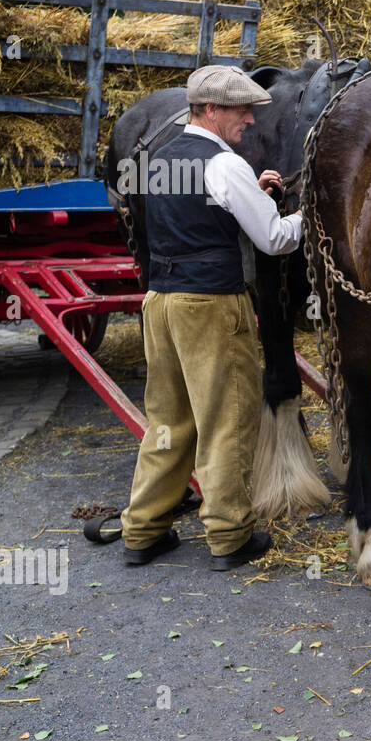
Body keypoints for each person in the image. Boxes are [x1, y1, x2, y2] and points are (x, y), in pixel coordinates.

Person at [120, 65, 304, 571]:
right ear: (211, 110)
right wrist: (312, 215)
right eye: (242, 110)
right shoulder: (225, 166)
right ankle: (229, 536)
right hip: (211, 307)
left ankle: (143, 531)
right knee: (227, 419)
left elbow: (194, 215)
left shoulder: (160, 157)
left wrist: (255, 195)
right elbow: (274, 240)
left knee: (169, 420)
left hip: (160, 304)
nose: (250, 120)